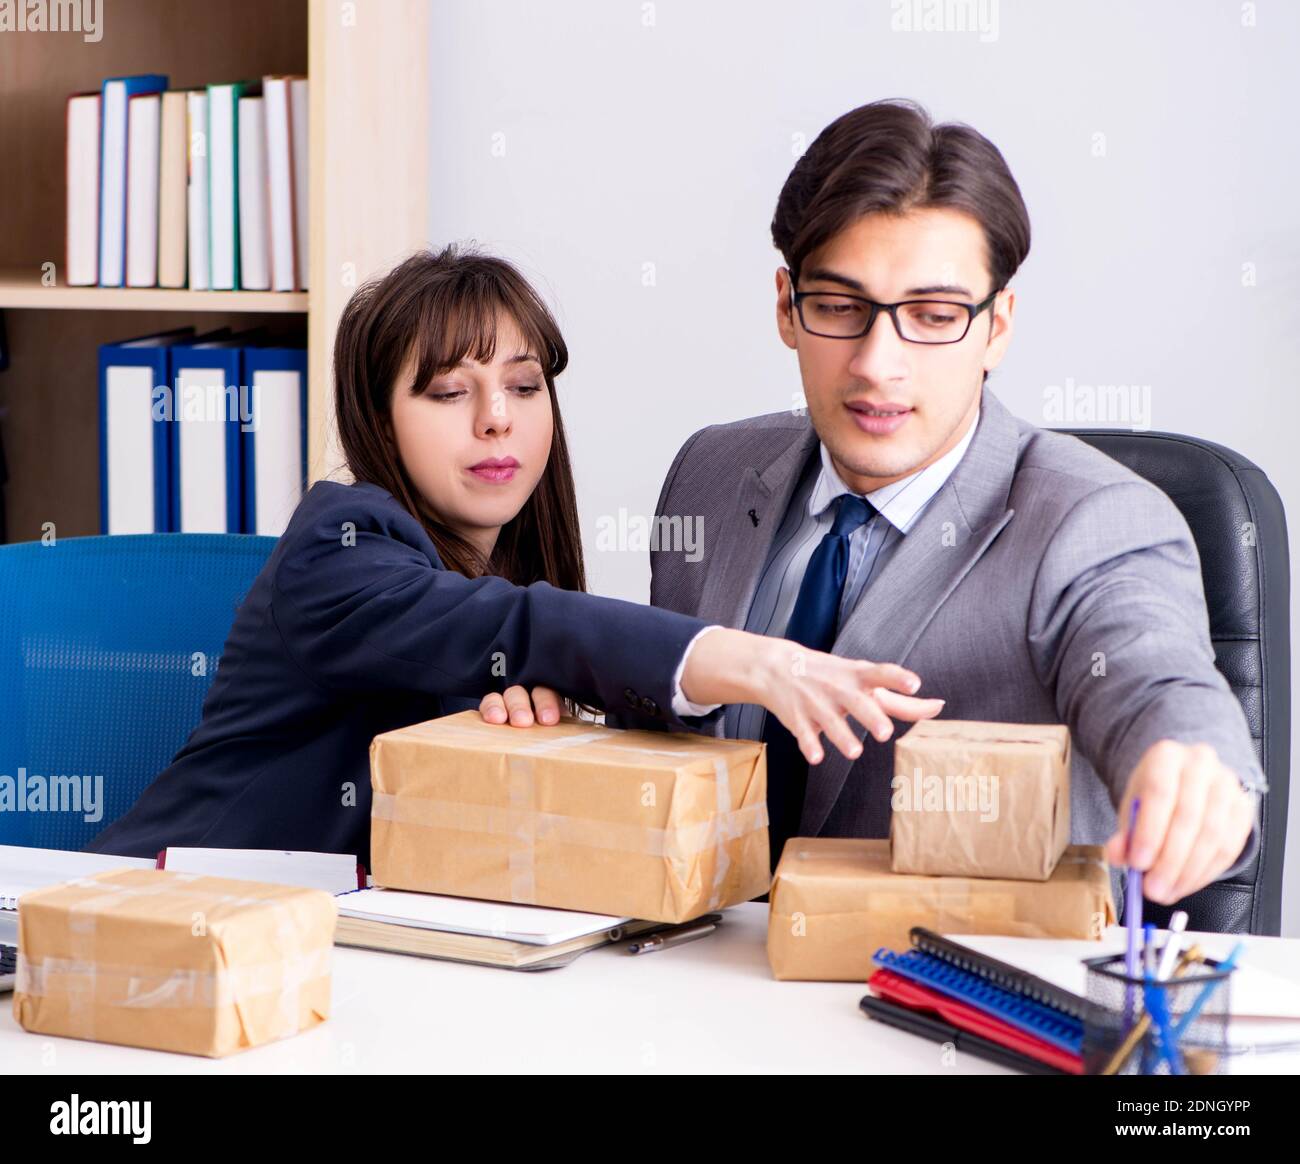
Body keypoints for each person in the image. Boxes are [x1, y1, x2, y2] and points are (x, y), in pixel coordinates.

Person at [486, 99, 1263, 904]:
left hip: (935, 999)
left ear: (997, 327)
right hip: (692, 976)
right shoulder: (711, 475)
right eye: (841, 308)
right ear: (787, 307)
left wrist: (1189, 757)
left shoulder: (1091, 521)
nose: (877, 364)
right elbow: (670, 731)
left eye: (933, 315)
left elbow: (1150, 673)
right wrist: (566, 716)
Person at [84, 246, 943, 866]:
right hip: (148, 927)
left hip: (345, 966)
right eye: (450, 392)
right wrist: (747, 659)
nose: (498, 419)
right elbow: (507, 625)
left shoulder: (510, 578)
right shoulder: (337, 549)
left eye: (525, 388)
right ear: (381, 423)